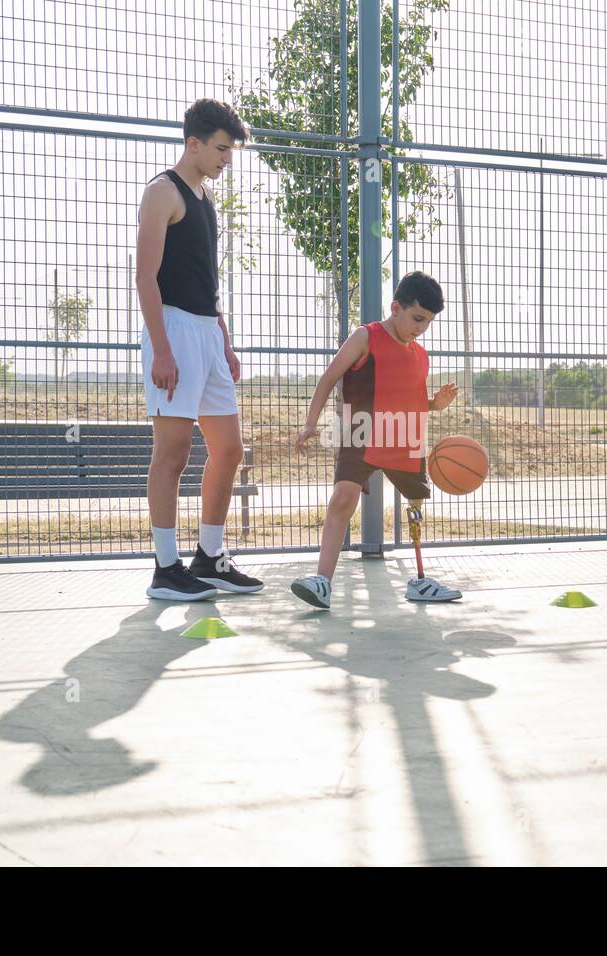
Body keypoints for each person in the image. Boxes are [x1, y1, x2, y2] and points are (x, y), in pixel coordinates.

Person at [135, 98, 263, 600]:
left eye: (231, 151)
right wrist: (162, 351)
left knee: (228, 449)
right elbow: (146, 277)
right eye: (221, 149)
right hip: (173, 328)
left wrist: (224, 342)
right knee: (173, 451)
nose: (227, 159)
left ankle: (209, 557)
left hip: (208, 331)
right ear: (193, 142)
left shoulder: (206, 196)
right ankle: (166, 569)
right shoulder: (161, 193)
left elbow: (206, 282)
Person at [290, 272, 462, 610]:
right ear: (395, 307)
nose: (421, 328)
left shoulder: (420, 355)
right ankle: (322, 581)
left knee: (415, 507)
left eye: (428, 322)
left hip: (404, 436)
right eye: (417, 318)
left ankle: (421, 580)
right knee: (343, 497)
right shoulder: (364, 337)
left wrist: (434, 405)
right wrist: (311, 423)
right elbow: (328, 378)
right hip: (361, 434)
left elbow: (410, 399)